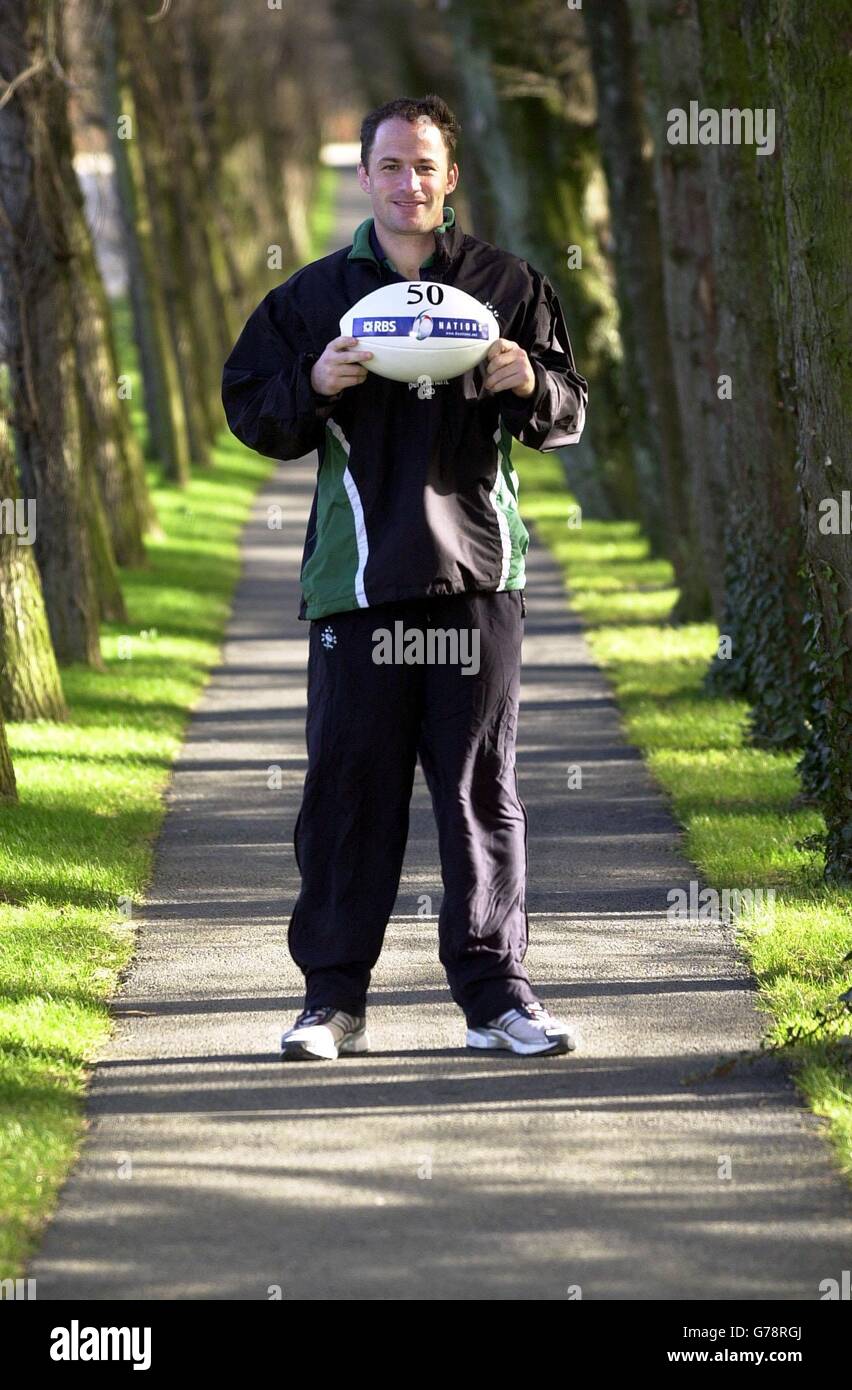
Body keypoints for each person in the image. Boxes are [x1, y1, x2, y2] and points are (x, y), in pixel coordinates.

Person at [221, 94, 588, 1062]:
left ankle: (495, 1000)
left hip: (477, 581)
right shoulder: (311, 298)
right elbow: (247, 404)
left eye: (426, 166)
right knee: (349, 791)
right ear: (365, 175)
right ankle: (330, 1004)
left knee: (479, 791)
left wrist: (530, 384)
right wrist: (312, 383)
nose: (409, 182)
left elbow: (570, 411)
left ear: (450, 178)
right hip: (359, 587)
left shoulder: (507, 286)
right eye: (391, 165)